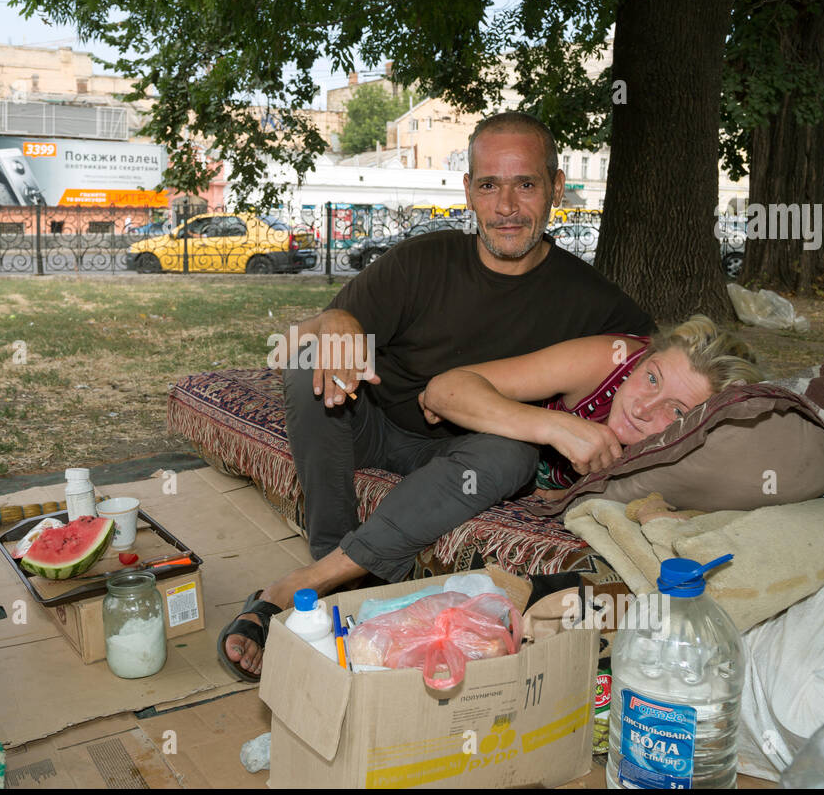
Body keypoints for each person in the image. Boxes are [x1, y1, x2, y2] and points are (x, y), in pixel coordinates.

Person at [218, 111, 654, 681]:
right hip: (372, 424)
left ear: (556, 188)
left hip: (468, 453)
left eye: (525, 184)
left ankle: (316, 587)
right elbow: (288, 347)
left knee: (513, 451)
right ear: (468, 191)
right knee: (308, 363)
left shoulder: (592, 300)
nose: (507, 206)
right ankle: (334, 567)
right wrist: (334, 322)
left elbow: (664, 366)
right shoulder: (423, 261)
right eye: (490, 185)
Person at [419, 315, 763, 490]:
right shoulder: (608, 360)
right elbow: (443, 391)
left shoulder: (702, 450)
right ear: (642, 358)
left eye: (676, 411)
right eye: (652, 378)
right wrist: (555, 427)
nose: (642, 409)